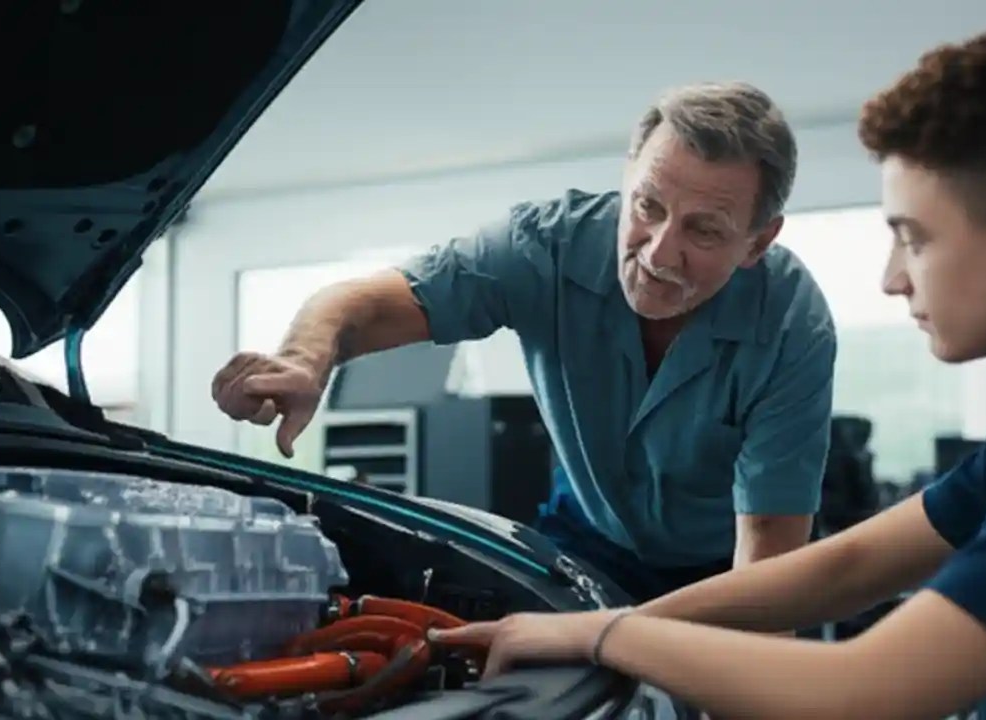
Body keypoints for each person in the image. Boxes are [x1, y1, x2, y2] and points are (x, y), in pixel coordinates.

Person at [430, 29, 986, 720]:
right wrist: (581, 622)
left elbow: (859, 689)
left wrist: (604, 638)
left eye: (912, 239)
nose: (893, 279)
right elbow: (844, 567)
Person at [210, 81, 838, 602]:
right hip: (585, 541)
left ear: (758, 242)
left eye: (703, 231)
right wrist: (302, 360)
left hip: (722, 567)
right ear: (628, 177)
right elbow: (362, 304)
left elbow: (766, 578)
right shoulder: (544, 247)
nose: (657, 251)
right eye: (647, 205)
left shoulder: (790, 325)